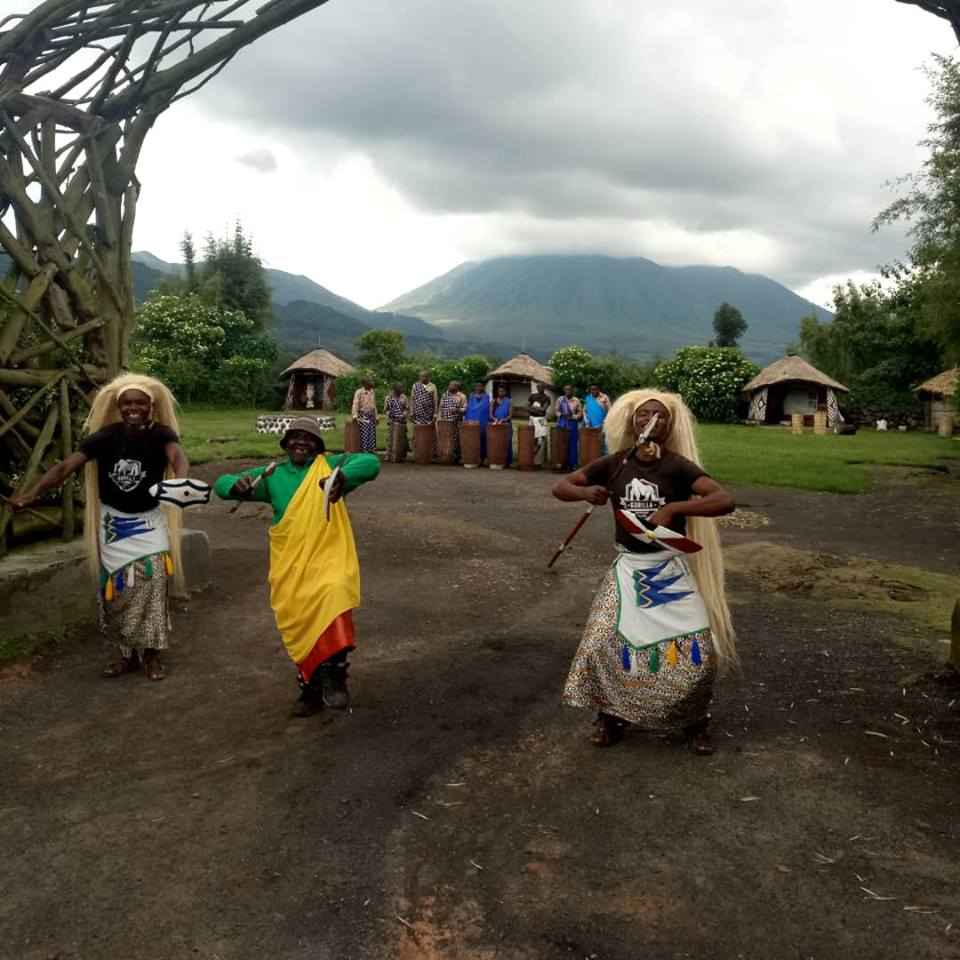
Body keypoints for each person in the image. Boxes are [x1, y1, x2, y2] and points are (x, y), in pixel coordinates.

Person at [552, 389, 736, 753]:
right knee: (602, 645)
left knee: (698, 650)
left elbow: (723, 500)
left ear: (669, 425)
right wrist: (584, 494)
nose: (652, 418)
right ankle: (610, 717)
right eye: (644, 413)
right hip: (628, 569)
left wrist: (674, 510)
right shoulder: (615, 462)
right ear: (632, 421)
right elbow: (561, 486)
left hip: (669, 570)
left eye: (661, 414)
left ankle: (694, 721)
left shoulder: (678, 466)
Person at [11, 374, 189, 681]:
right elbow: (65, 466)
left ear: (151, 406)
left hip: (149, 522)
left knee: (154, 583)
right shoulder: (105, 436)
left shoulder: (162, 434)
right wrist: (32, 494)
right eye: (127, 403)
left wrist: (183, 480)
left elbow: (177, 457)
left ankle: (152, 654)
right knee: (116, 592)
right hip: (114, 526)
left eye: (140, 402)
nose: (133, 408)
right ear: (119, 407)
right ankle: (125, 654)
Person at [214, 418, 379, 716]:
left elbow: (370, 463)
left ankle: (335, 680)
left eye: (308, 438)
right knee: (300, 620)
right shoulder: (272, 474)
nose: (301, 443)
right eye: (295, 437)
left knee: (335, 596)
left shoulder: (328, 467)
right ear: (285, 443)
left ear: (317, 446)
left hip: (329, 556)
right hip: (290, 563)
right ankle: (310, 690)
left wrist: (340, 476)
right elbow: (222, 484)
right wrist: (235, 486)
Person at [410, 369, 439, 460]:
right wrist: (411, 413)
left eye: (423, 376)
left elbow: (435, 401)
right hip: (417, 414)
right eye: (420, 376)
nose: (421, 377)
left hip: (428, 414)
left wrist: (435, 415)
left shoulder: (432, 386)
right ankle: (416, 453)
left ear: (428, 377)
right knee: (416, 435)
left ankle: (430, 454)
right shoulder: (415, 386)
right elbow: (412, 400)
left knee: (430, 435)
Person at [438, 380, 467, 463]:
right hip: (445, 422)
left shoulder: (462, 396)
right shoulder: (445, 395)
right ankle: (446, 456)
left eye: (452, 385)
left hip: (456, 421)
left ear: (457, 387)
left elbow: (465, 409)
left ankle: (456, 457)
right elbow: (440, 408)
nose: (449, 387)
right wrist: (440, 418)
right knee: (445, 439)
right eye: (449, 385)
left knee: (456, 440)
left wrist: (457, 410)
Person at [556, 384, 583, 469]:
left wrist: (573, 417)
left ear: (572, 390)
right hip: (562, 423)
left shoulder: (576, 400)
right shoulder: (560, 399)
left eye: (569, 389)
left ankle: (572, 464)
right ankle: (562, 462)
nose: (567, 391)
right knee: (562, 443)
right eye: (566, 389)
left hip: (573, 424)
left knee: (573, 443)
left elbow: (580, 413)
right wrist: (561, 414)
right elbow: (556, 410)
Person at [465, 381, 492, 462]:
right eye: (478, 386)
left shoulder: (487, 397)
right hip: (472, 419)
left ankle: (483, 457)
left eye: (481, 386)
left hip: (483, 421)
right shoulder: (471, 396)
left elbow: (487, 410)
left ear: (483, 387)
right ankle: (472, 456)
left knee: (483, 438)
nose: (479, 388)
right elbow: (469, 409)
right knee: (472, 438)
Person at [351, 376, 379, 454]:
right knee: (365, 436)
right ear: (365, 384)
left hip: (371, 416)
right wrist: (355, 416)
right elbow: (355, 404)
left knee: (372, 436)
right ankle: (364, 453)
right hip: (363, 416)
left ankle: (371, 453)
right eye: (370, 381)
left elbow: (374, 405)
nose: (372, 382)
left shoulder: (372, 392)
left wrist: (376, 417)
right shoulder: (359, 392)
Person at [526, 382, 551, 467]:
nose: (540, 388)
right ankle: (530, 458)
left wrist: (532, 407)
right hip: (532, 419)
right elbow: (526, 407)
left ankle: (539, 460)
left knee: (542, 439)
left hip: (541, 420)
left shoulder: (547, 398)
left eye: (542, 387)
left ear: (544, 388)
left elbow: (543, 409)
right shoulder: (532, 396)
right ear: (537, 388)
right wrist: (537, 410)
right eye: (538, 387)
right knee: (531, 439)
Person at [383, 382, 409, 462]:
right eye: (399, 388)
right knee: (390, 438)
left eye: (401, 388)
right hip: (392, 420)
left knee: (403, 439)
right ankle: (388, 455)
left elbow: (407, 408)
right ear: (395, 389)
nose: (401, 390)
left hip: (402, 421)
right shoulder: (388, 398)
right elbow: (385, 409)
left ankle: (402, 456)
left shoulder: (404, 397)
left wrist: (403, 415)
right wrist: (390, 414)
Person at [490, 384, 514, 467]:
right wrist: (495, 419)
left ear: (506, 392)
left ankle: (507, 462)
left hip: (506, 424)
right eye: (499, 391)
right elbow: (491, 414)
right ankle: (497, 460)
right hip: (495, 424)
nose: (501, 392)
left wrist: (504, 420)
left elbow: (510, 414)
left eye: (503, 391)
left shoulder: (509, 401)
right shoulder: (493, 401)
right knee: (496, 442)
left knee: (506, 442)